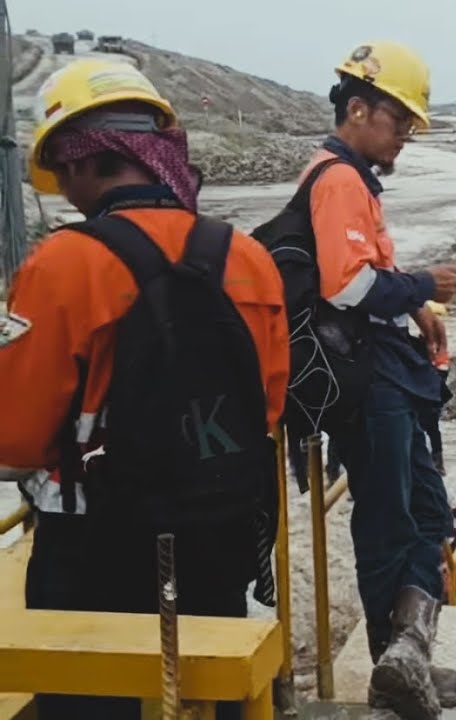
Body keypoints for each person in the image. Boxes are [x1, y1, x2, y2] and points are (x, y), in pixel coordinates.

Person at [1, 59, 288, 720]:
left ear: (78, 163)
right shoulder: (248, 260)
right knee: (207, 694)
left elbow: (14, 442)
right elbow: (265, 409)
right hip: (219, 543)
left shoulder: (63, 265)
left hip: (94, 556)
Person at [305, 41, 456, 715]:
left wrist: (417, 305)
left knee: (426, 513)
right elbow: (346, 285)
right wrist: (422, 286)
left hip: (389, 376)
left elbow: (367, 282)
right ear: (357, 109)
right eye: (399, 121)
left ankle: (409, 659)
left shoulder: (355, 182)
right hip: (369, 386)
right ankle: (394, 666)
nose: (406, 136)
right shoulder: (338, 179)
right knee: (388, 522)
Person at [422, 300, 451, 475]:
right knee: (432, 427)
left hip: (431, 385)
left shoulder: (433, 339)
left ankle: (436, 462)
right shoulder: (438, 339)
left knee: (429, 426)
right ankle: (437, 462)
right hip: (435, 386)